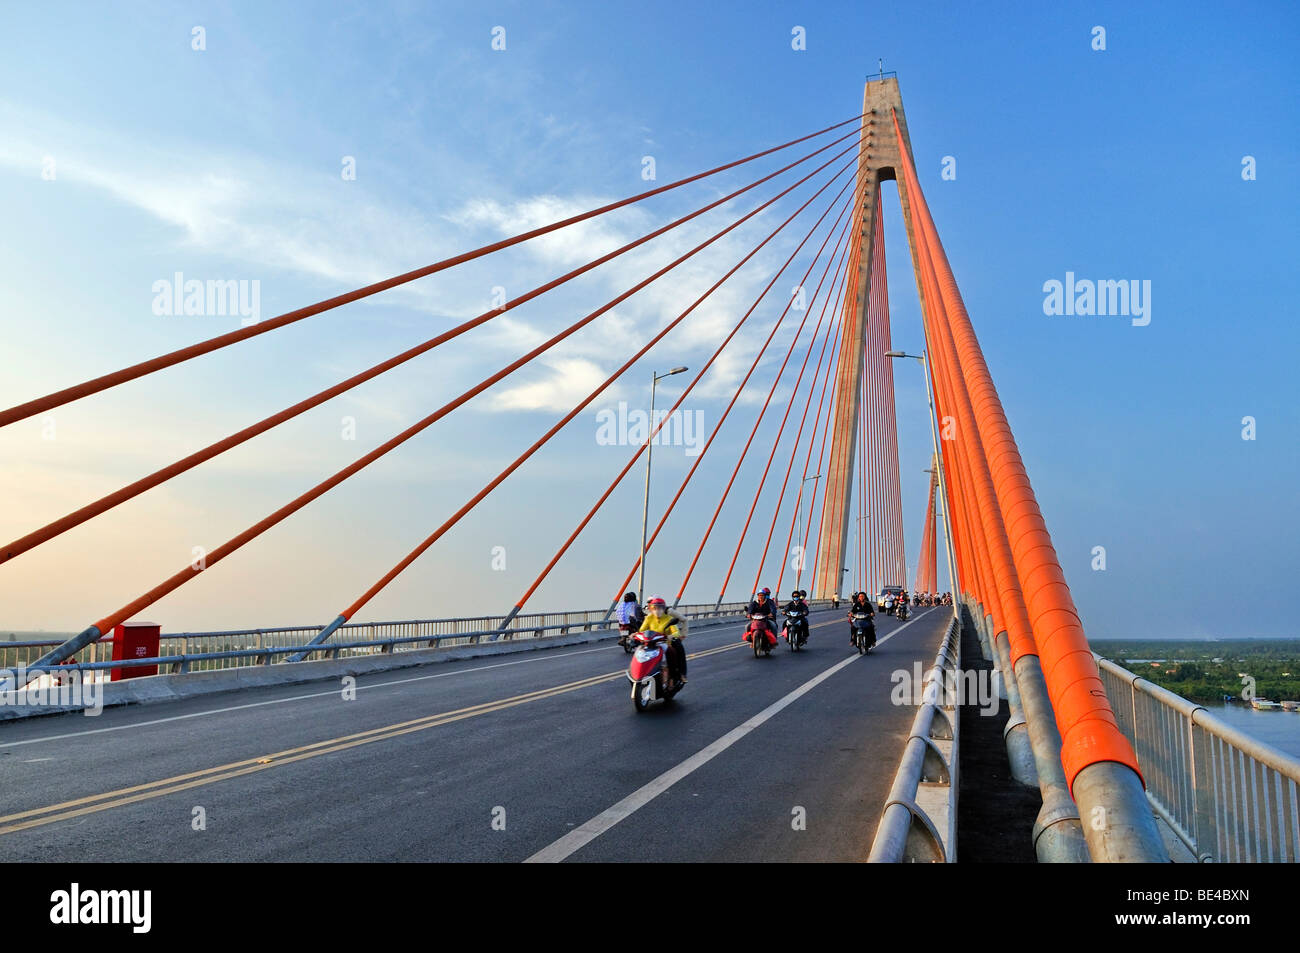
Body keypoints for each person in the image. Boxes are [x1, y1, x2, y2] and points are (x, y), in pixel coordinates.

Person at [639, 596, 686, 683]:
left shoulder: (669, 618)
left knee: (673, 652)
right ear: (651, 608)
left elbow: (676, 632)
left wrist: (671, 636)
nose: (658, 610)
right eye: (655, 608)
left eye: (660, 608)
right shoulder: (649, 618)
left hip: (664, 643)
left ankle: (677, 675)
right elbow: (642, 630)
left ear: (664, 608)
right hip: (651, 643)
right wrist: (637, 635)